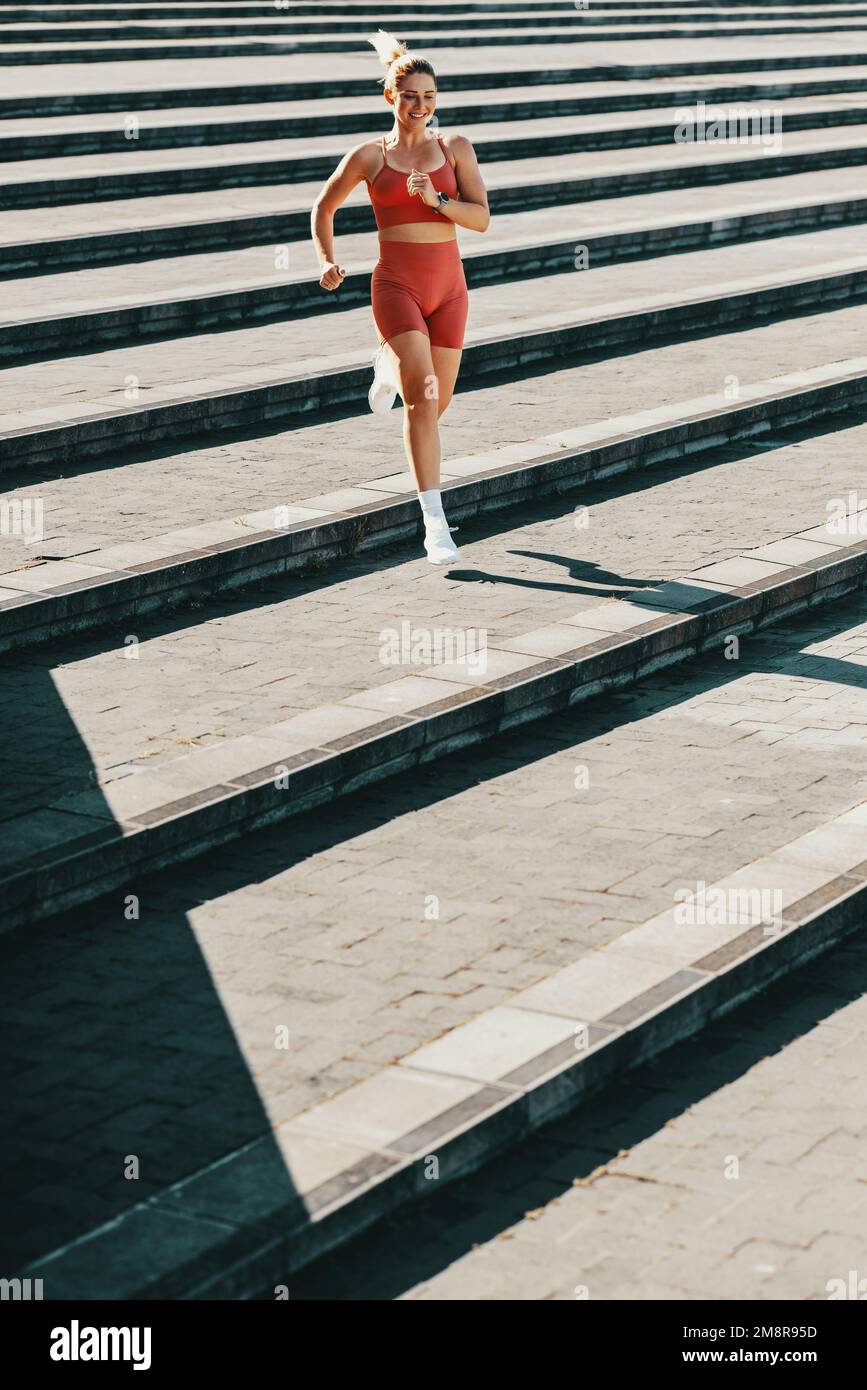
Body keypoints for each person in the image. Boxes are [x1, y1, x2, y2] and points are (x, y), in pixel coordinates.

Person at [311, 28, 490, 564]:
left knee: (436, 406)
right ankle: (435, 523)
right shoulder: (369, 156)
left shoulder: (455, 149)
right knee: (422, 400)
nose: (420, 105)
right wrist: (325, 259)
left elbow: (480, 219)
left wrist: (437, 201)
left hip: (449, 289)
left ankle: (386, 369)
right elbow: (323, 207)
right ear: (391, 97)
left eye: (430, 96)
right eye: (410, 95)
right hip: (396, 285)